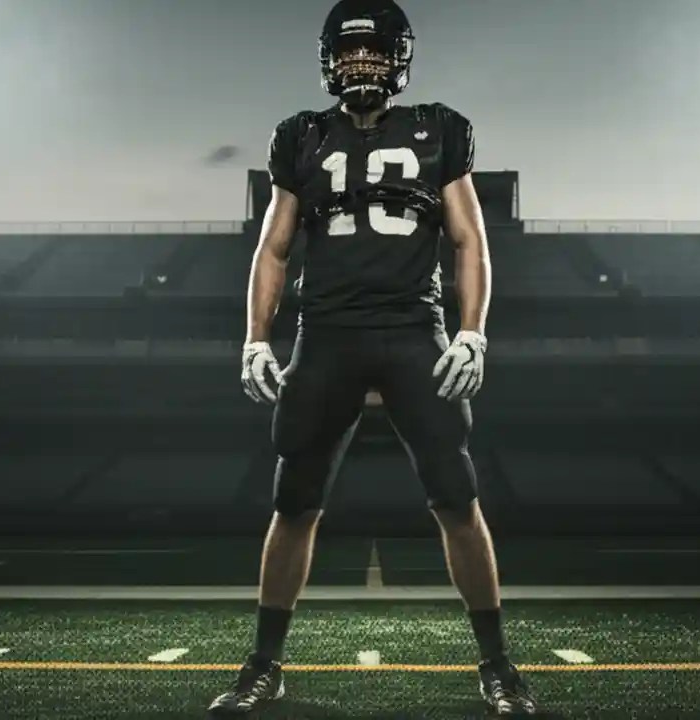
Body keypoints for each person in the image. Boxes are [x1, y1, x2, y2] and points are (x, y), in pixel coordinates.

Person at [211, 0, 536, 715]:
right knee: (294, 500)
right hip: (326, 333)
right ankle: (265, 664)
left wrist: (473, 330)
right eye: (350, 53)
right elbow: (274, 245)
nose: (362, 64)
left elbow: (468, 239)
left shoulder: (439, 129)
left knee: (456, 494)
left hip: (411, 330)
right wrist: (256, 338)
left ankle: (498, 664)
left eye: (374, 53)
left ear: (399, 58)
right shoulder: (301, 136)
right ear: (330, 59)